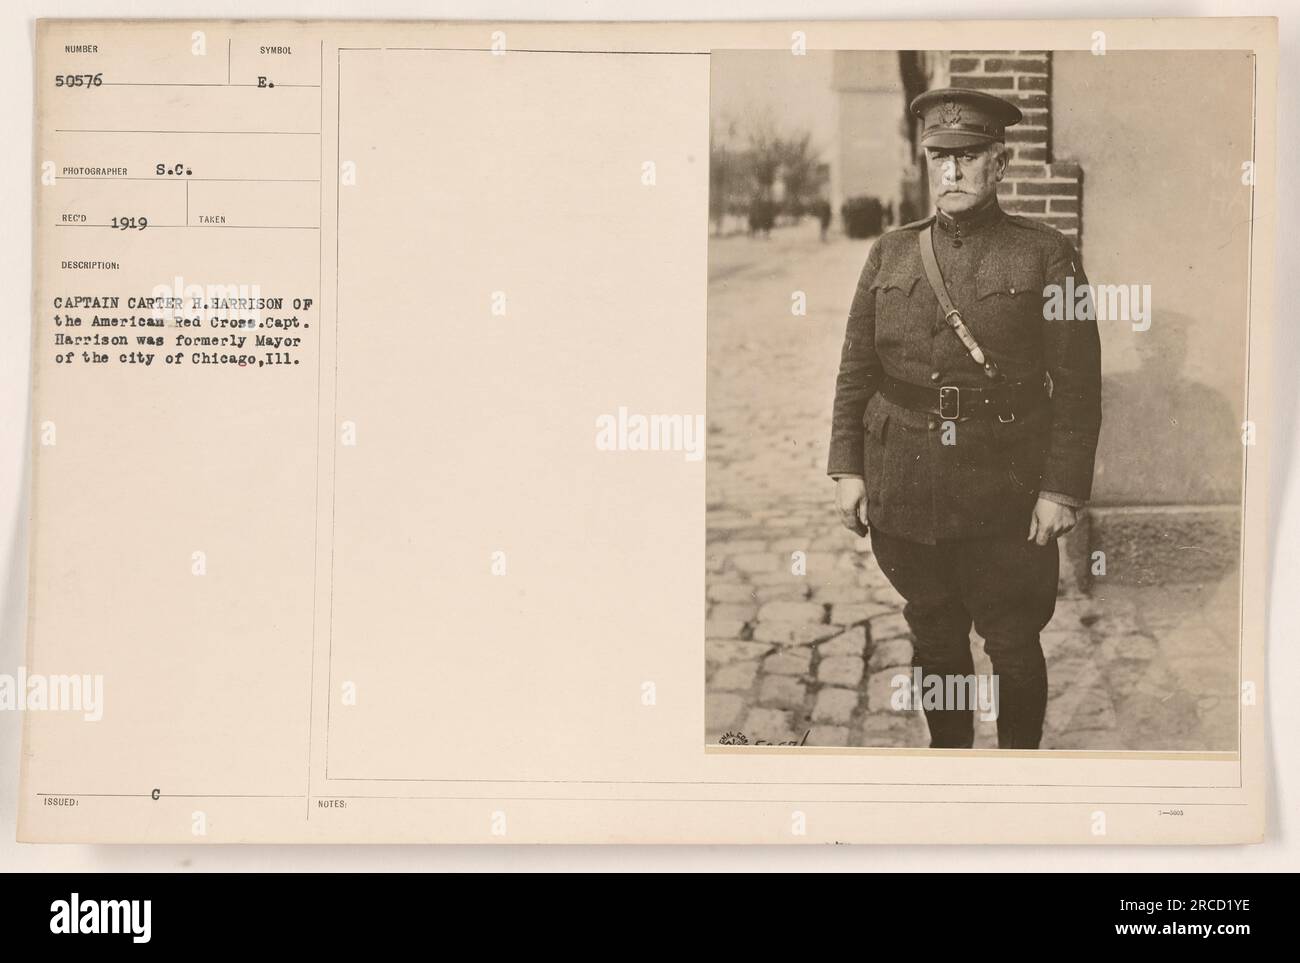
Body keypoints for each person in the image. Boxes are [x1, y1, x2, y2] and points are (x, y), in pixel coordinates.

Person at [826, 87, 1102, 749]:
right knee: (934, 634)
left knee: (1011, 641)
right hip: (907, 485)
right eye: (939, 157)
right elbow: (856, 369)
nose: (951, 171)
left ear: (998, 164)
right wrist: (847, 467)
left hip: (1003, 489)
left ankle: (1015, 775)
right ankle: (951, 762)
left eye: (968, 156)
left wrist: (1061, 488)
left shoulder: (1045, 254)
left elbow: (1077, 384)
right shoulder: (890, 253)